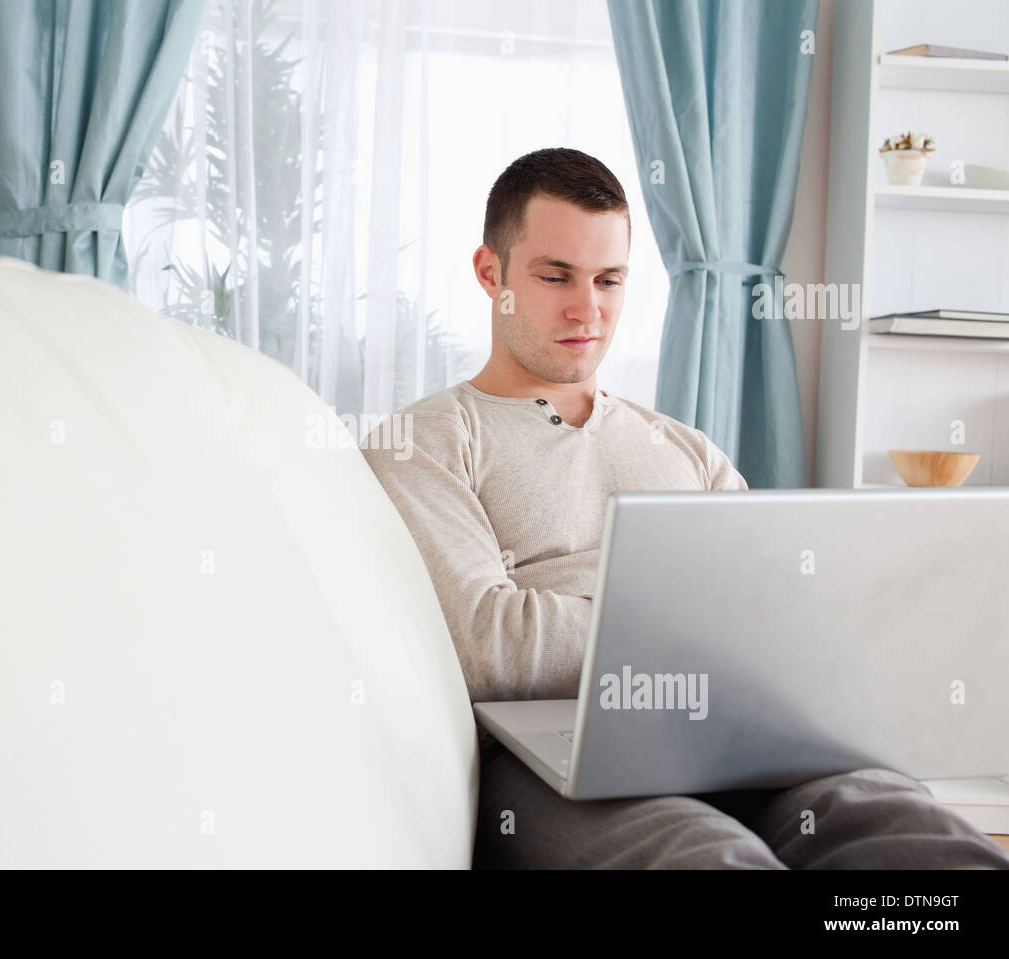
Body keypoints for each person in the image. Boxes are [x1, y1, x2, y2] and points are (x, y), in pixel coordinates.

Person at [359, 147, 1009, 869]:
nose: (589, 308)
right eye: (555, 277)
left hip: (738, 734)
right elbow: (494, 648)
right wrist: (696, 632)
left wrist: (628, 623)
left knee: (911, 830)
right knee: (706, 856)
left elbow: (782, 616)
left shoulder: (686, 450)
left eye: (609, 279)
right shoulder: (425, 442)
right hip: (550, 755)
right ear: (491, 274)